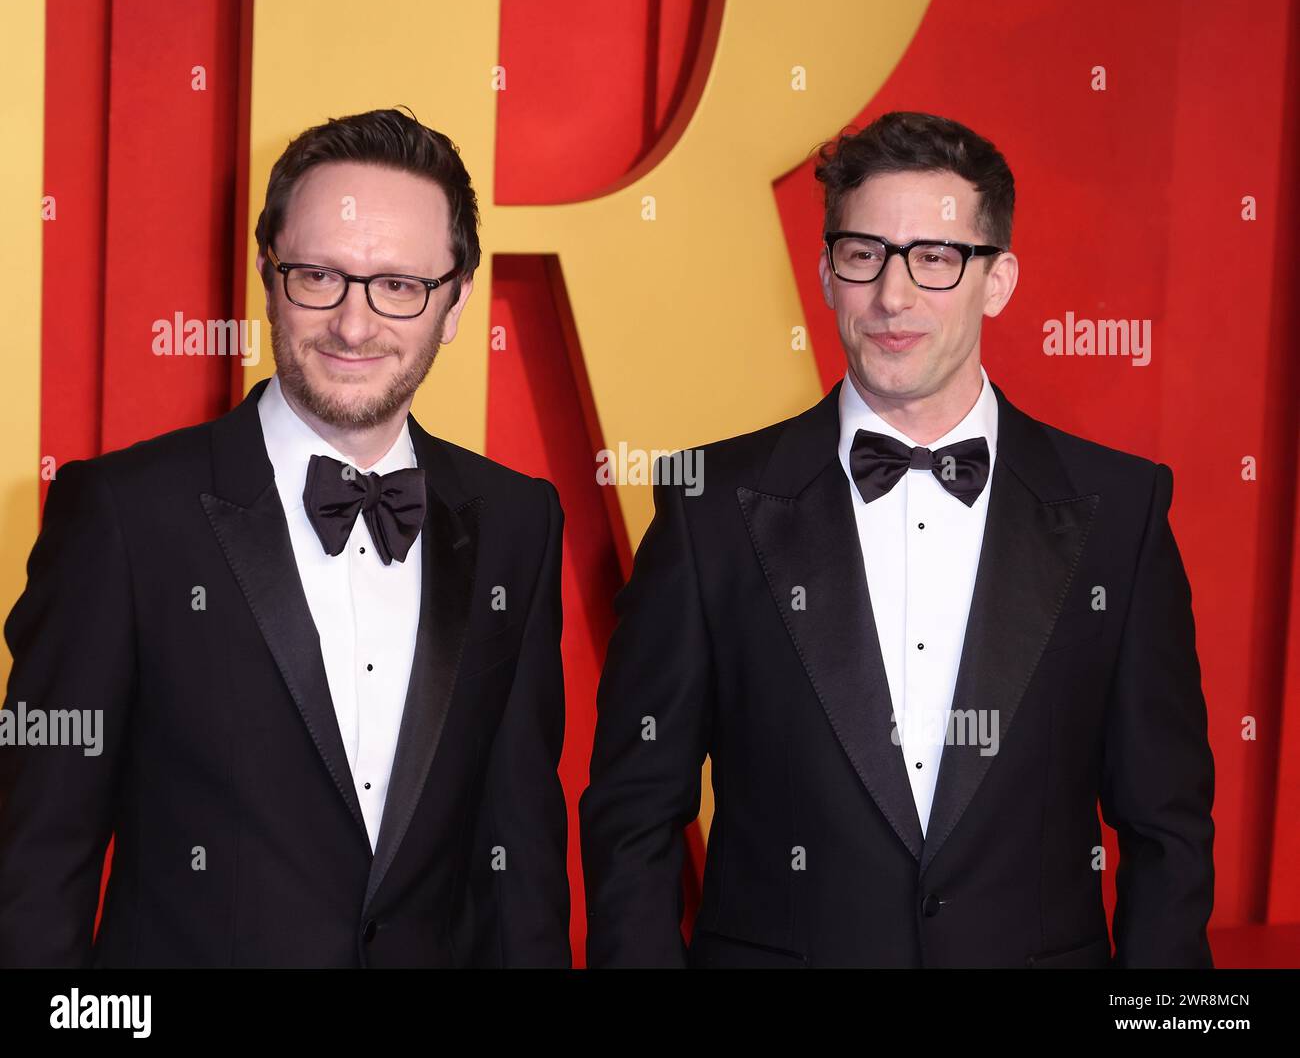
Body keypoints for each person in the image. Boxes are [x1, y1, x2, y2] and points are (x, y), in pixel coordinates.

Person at [580, 111, 1214, 968]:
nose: (894, 296)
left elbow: (1166, 827)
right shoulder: (710, 505)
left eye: (937, 258)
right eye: (864, 254)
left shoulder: (1119, 511)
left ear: (999, 280)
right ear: (826, 274)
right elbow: (633, 813)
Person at [0, 107, 570, 967]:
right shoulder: (124, 516)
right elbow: (36, 862)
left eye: (398, 286)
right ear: (267, 273)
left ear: (453, 303)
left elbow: (520, 857)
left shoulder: (517, 523)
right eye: (319, 277)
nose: (354, 323)